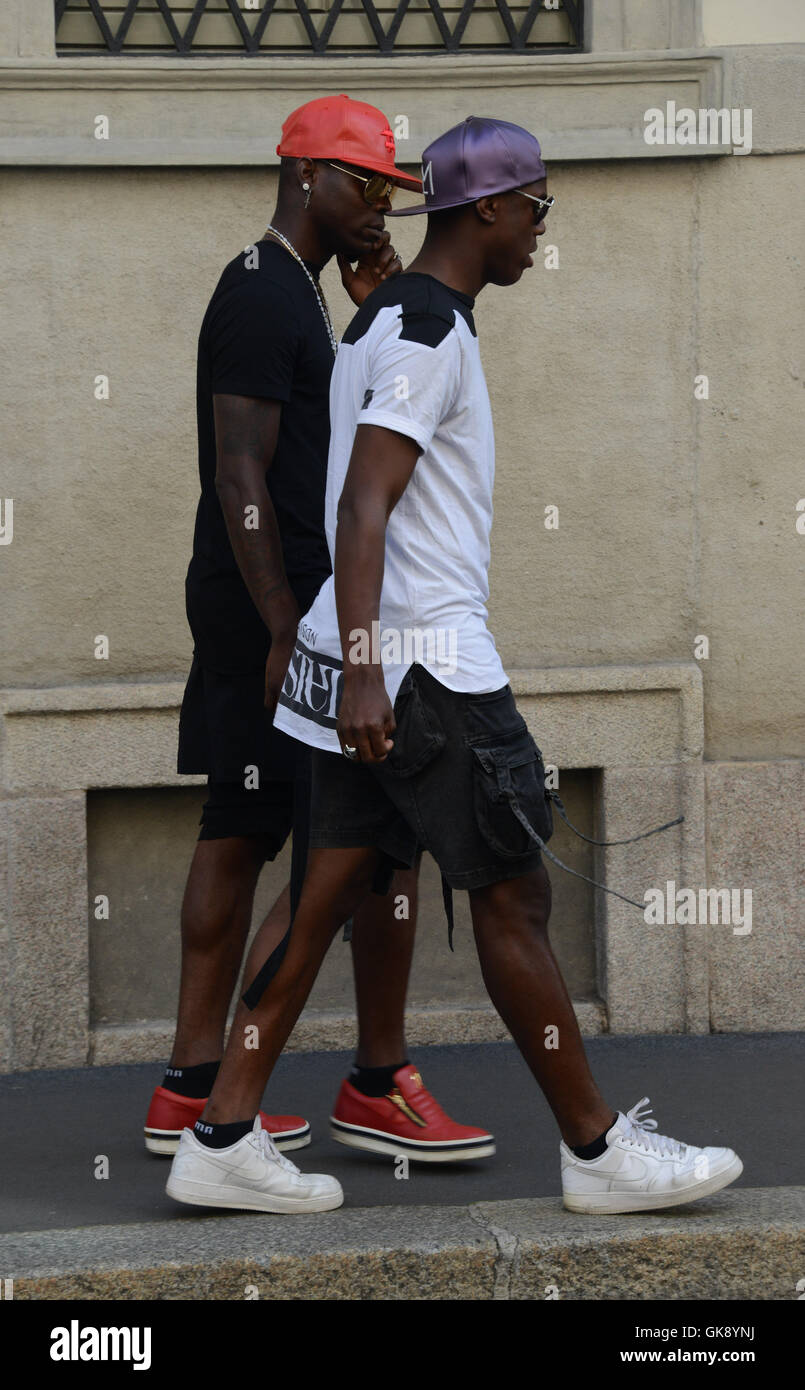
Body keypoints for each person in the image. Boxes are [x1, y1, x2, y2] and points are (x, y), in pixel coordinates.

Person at [165, 116, 743, 1217]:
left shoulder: (382, 310)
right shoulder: (426, 331)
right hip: (420, 662)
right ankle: (595, 1150)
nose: (538, 230)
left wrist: (351, 659)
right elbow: (363, 500)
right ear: (489, 209)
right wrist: (377, 669)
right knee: (513, 894)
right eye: (535, 206)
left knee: (326, 884)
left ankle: (222, 1132)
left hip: (359, 650)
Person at [146, 95, 492, 1169]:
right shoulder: (257, 292)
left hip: (292, 608)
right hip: (272, 609)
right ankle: (210, 1088)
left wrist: (369, 306)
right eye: (364, 187)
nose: (379, 206)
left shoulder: (303, 295)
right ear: (305, 176)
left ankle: (223, 1085)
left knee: (303, 840)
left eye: (393, 191)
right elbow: (240, 474)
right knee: (267, 836)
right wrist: (283, 625)